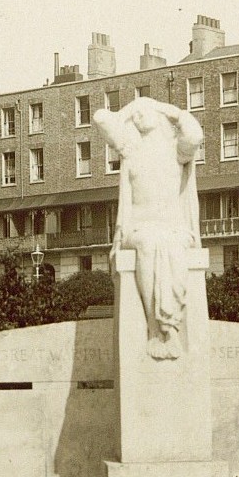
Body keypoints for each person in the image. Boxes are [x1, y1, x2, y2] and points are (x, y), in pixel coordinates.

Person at [94, 97, 204, 360]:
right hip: (138, 228)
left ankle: (170, 328)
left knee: (169, 243)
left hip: (173, 227)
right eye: (137, 114)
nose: (140, 114)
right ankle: (154, 328)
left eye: (146, 111)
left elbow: (195, 135)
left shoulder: (177, 150)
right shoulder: (131, 150)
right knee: (148, 243)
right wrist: (134, 106)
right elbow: (100, 118)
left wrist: (171, 111)